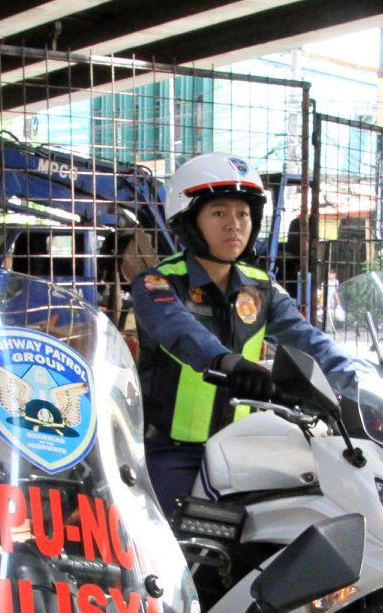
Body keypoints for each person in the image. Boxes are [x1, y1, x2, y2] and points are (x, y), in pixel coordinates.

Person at [130, 153, 354, 511]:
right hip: (173, 451)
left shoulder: (260, 288)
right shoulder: (158, 283)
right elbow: (178, 329)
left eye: (243, 214)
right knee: (170, 548)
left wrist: (355, 386)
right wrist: (228, 363)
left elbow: (309, 340)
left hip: (243, 447)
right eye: (219, 212)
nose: (234, 224)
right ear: (189, 219)